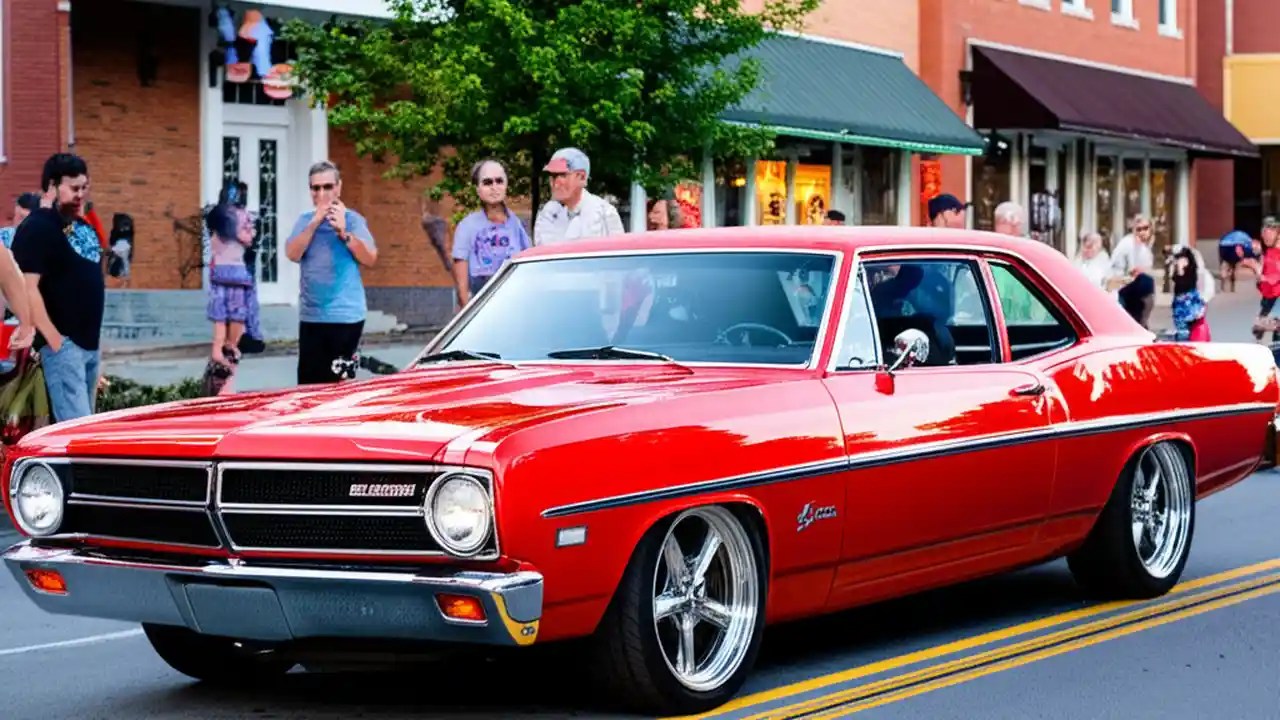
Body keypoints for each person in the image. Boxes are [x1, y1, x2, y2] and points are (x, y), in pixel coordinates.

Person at [11, 153, 103, 422]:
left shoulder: (80, 226)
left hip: (89, 345)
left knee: (87, 429)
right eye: (74, 188)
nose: (80, 194)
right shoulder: (38, 227)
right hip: (64, 346)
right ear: (52, 186)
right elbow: (26, 288)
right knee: (75, 433)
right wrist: (55, 341)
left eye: (84, 187)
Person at [284, 160, 378, 384]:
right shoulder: (305, 221)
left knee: (336, 384)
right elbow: (292, 253)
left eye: (327, 187)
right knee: (308, 385)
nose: (322, 193)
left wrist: (344, 233)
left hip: (345, 315)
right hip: (312, 316)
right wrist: (315, 222)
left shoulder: (353, 220)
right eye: (316, 188)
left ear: (338, 188)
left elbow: (370, 258)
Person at [451, 159, 531, 306]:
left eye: (499, 181)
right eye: (487, 182)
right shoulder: (467, 227)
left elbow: (528, 267)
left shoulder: (517, 226)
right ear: (478, 189)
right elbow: (461, 282)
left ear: (506, 185)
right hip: (481, 307)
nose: (494, 187)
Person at [205, 201, 258, 382]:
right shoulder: (227, 233)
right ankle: (227, 346)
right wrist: (248, 229)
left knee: (222, 315)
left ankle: (221, 347)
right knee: (237, 314)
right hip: (235, 275)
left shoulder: (216, 237)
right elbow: (247, 238)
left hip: (222, 275)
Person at [533, 147, 624, 245]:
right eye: (553, 176)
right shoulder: (547, 214)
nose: (556, 183)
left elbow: (618, 255)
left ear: (582, 177)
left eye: (563, 175)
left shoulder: (604, 213)